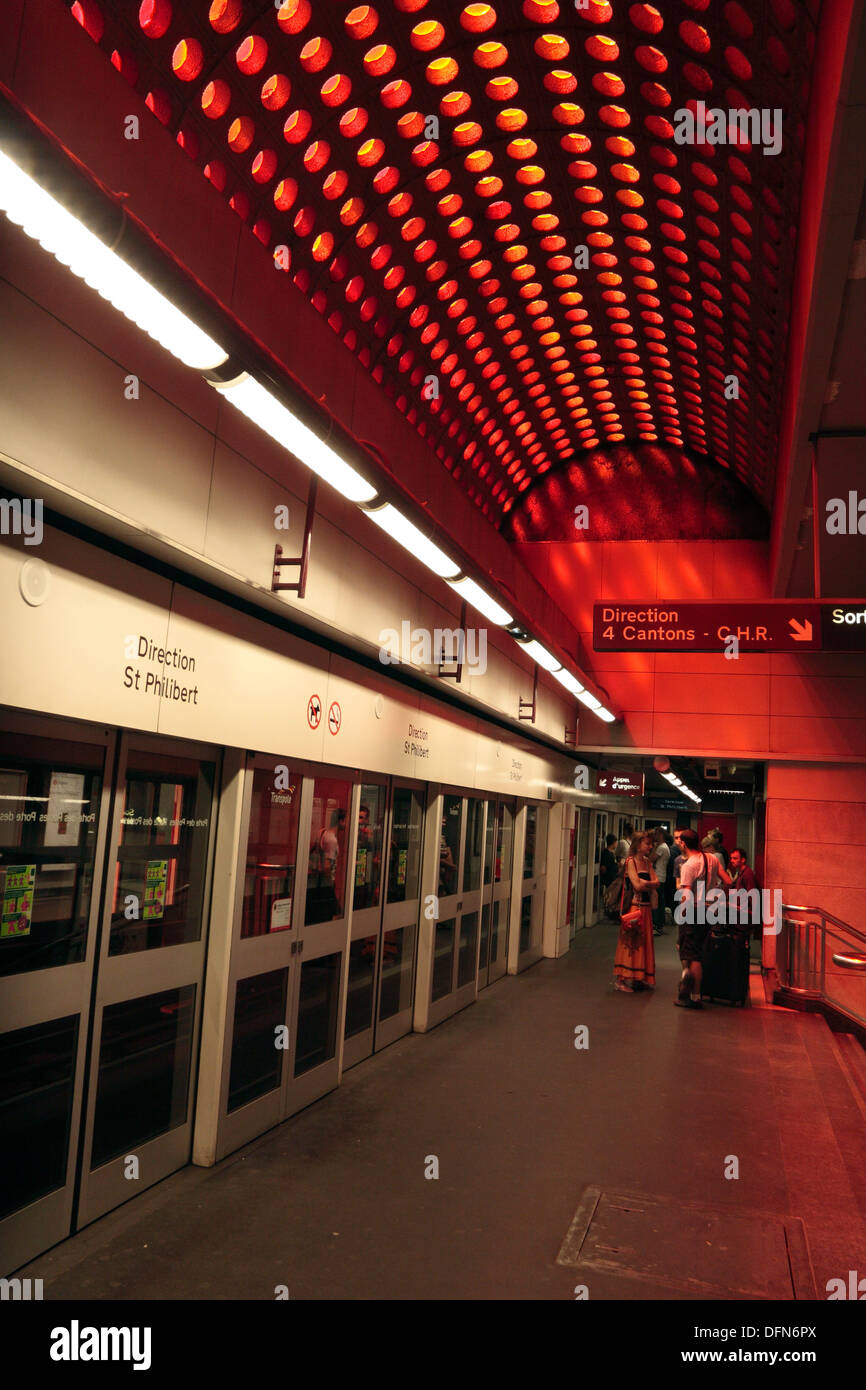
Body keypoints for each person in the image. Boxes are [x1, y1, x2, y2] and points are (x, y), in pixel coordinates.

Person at [675, 828, 732, 1008]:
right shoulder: (712, 858)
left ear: (683, 844)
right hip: (708, 911)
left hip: (693, 912)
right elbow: (728, 881)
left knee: (693, 954)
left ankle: (695, 995)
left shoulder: (689, 866)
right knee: (693, 949)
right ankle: (689, 982)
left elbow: (685, 895)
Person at [613, 830, 657, 993]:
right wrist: (649, 883)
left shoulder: (647, 862)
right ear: (638, 845)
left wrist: (645, 882)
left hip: (645, 908)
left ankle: (638, 977)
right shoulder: (630, 861)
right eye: (647, 844)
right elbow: (637, 886)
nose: (650, 847)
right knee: (630, 943)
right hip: (634, 907)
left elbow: (656, 882)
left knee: (643, 943)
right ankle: (621, 978)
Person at [729, 846, 760, 936]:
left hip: (745, 915)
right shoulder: (741, 873)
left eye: (735, 858)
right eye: (731, 858)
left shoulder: (747, 874)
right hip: (740, 912)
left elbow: (752, 895)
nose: (732, 861)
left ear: (743, 860)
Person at [651, 827, 670, 935]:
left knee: (655, 902)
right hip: (662, 877)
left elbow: (651, 859)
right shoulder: (665, 847)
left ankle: (656, 924)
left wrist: (654, 847)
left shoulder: (661, 848)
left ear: (661, 835)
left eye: (656, 835)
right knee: (660, 902)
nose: (654, 837)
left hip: (657, 876)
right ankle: (660, 924)